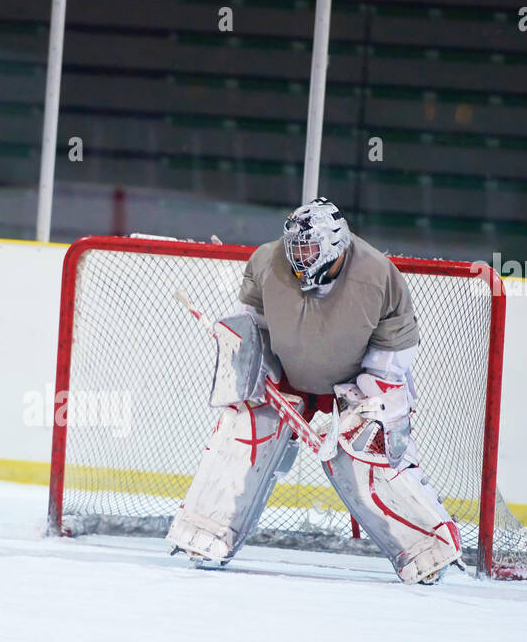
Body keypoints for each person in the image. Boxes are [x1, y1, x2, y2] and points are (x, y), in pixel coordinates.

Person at [166, 198, 462, 585]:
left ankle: (430, 551)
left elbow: (392, 357)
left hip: (356, 381)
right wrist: (258, 371)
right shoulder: (265, 263)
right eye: (294, 249)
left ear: (335, 245)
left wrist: (361, 406)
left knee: (366, 446)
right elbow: (256, 329)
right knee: (243, 430)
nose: (298, 259)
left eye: (308, 249)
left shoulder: (378, 276)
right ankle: (205, 534)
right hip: (288, 373)